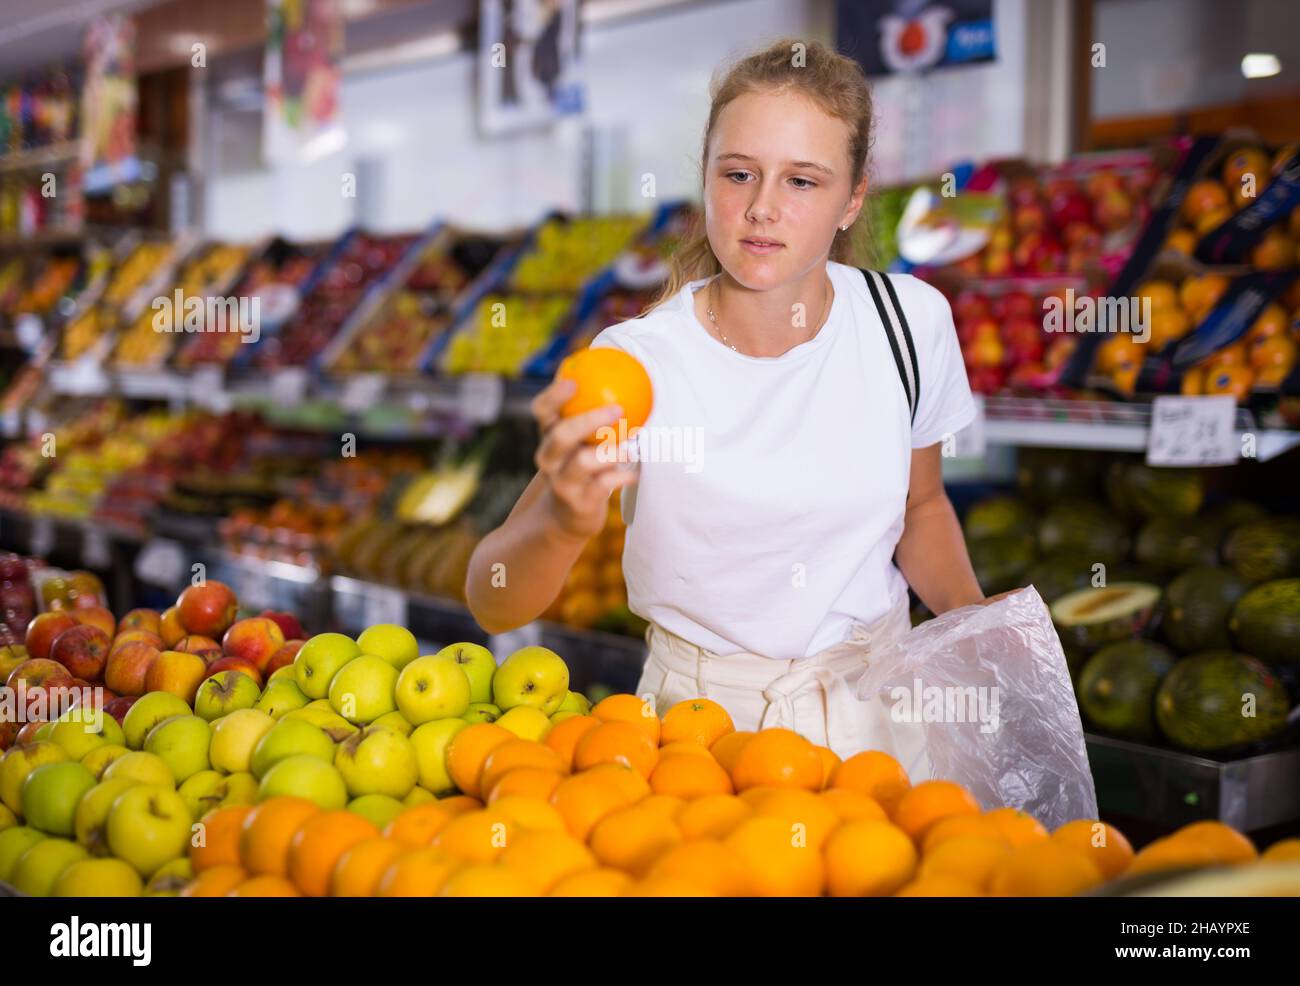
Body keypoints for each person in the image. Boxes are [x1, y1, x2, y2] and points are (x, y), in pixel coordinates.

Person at [466, 37, 988, 762]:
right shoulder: (637, 366)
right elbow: (493, 598)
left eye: (803, 182)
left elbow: (922, 507)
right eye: (739, 174)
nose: (763, 209)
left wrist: (974, 625)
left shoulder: (909, 322)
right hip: (699, 736)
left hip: (878, 721)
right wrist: (561, 519)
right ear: (706, 178)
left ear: (853, 197)